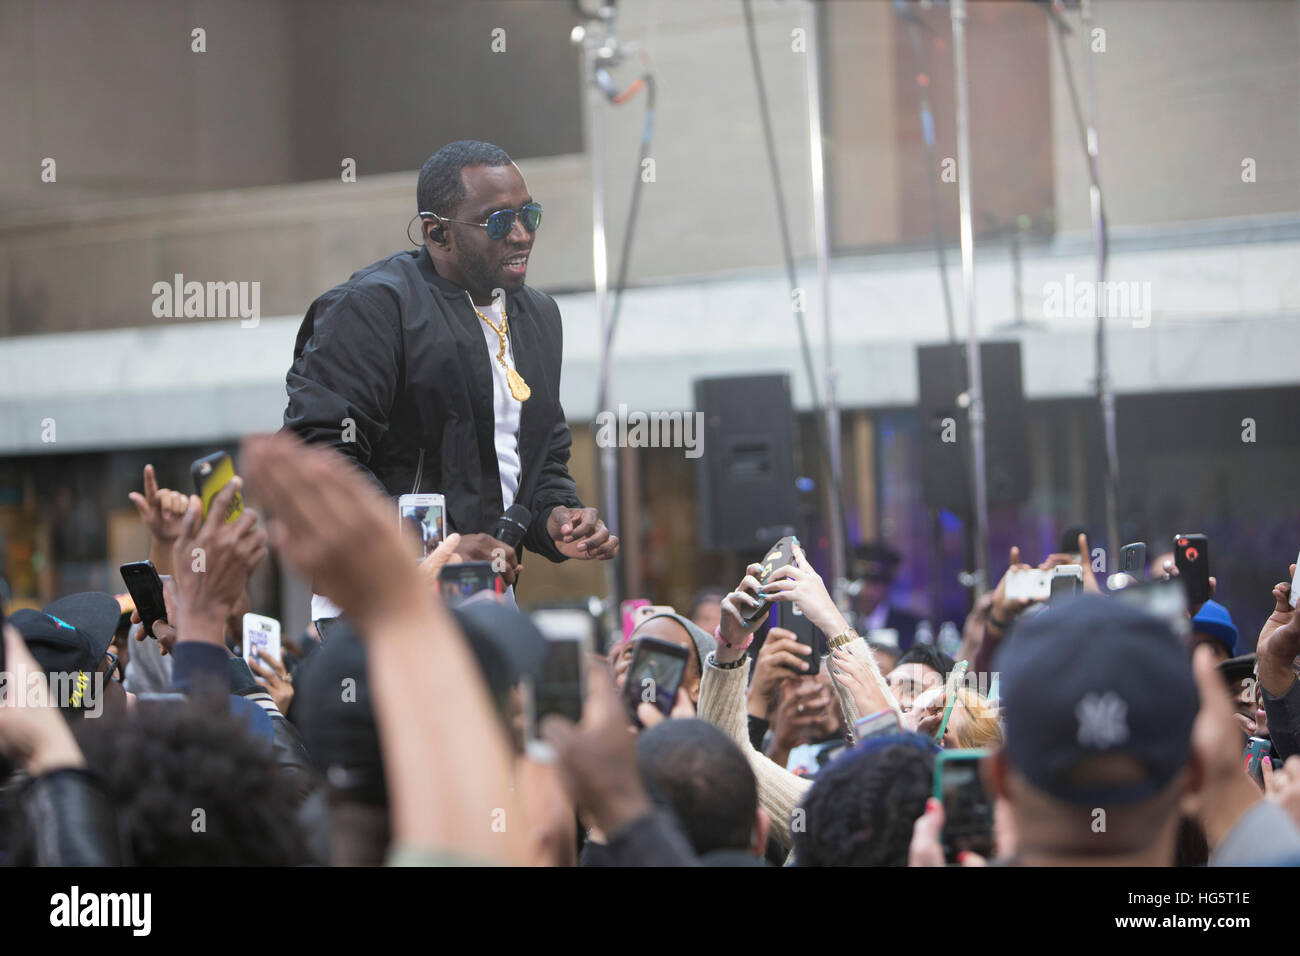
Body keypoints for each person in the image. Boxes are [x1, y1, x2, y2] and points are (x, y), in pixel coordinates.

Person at [282, 140, 618, 627]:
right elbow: (316, 459)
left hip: (487, 602)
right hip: (379, 602)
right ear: (438, 234)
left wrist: (558, 518)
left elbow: (541, 461)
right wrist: (435, 542)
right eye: (500, 222)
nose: (522, 235)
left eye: (531, 215)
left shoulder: (538, 316)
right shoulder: (372, 308)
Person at [849, 542, 922, 650]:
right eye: (861, 582)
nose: (866, 590)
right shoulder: (845, 623)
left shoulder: (908, 627)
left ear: (886, 585)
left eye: (874, 583)